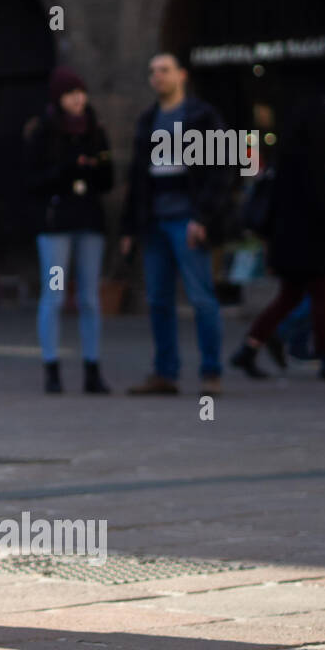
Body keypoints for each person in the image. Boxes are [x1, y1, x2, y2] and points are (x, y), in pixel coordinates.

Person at [120, 53, 232, 395]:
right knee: (158, 299)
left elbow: (220, 168)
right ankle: (165, 373)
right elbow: (138, 178)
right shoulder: (148, 120)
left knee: (201, 298)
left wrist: (203, 217)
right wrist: (129, 227)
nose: (158, 77)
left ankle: (211, 372)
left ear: (181, 75)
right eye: (152, 71)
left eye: (165, 70)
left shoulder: (200, 116)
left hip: (187, 219)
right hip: (155, 220)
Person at [229, 100, 325, 381]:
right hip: (312, 245)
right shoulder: (312, 162)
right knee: (322, 300)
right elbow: (319, 206)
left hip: (291, 245)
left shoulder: (288, 159)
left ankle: (250, 348)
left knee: (291, 298)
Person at [26, 66, 113, 393]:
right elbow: (32, 180)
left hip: (89, 219)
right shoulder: (44, 130)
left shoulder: (95, 128)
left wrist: (95, 169)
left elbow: (108, 179)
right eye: (70, 93)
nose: (77, 99)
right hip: (57, 221)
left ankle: (92, 368)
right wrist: (66, 169)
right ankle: (52, 368)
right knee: (55, 295)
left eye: (80, 92)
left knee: (90, 296)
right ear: (58, 97)